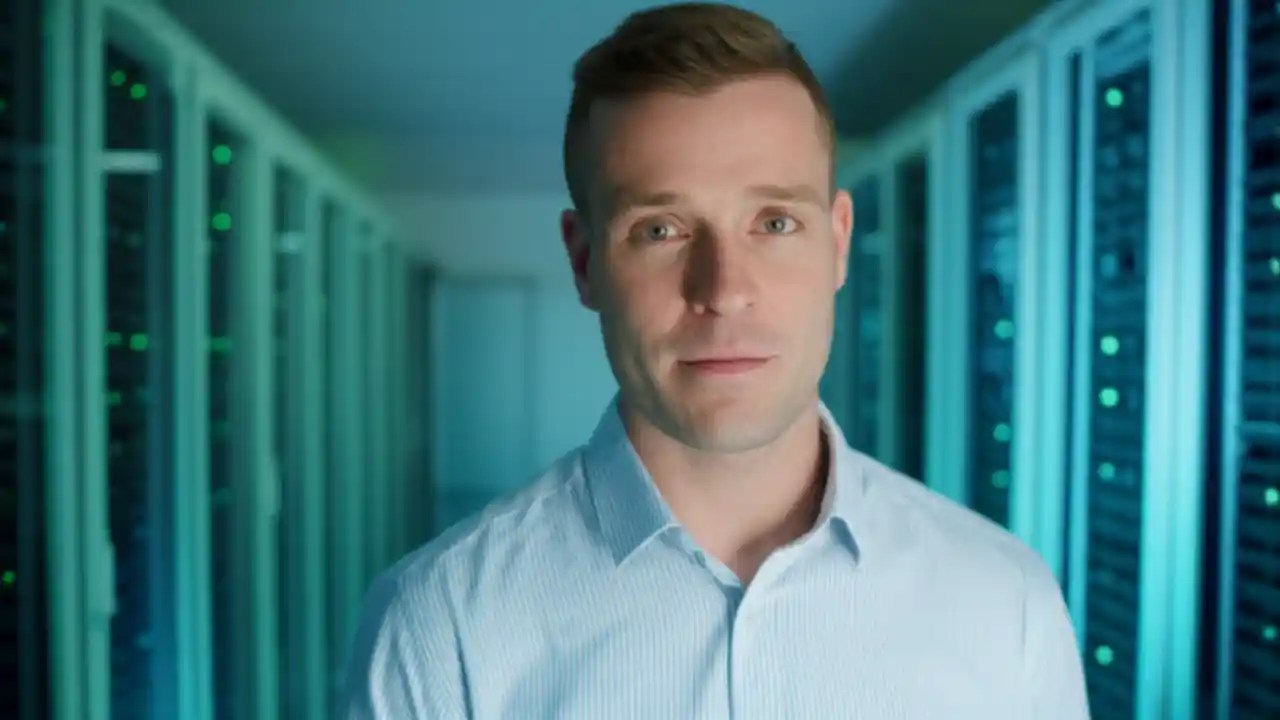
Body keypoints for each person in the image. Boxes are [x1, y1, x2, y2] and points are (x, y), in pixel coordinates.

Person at [344, 3, 1091, 718]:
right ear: (584, 263)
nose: (724, 291)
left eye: (773, 221)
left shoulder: (1006, 604)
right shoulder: (440, 626)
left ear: (836, 243)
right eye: (661, 230)